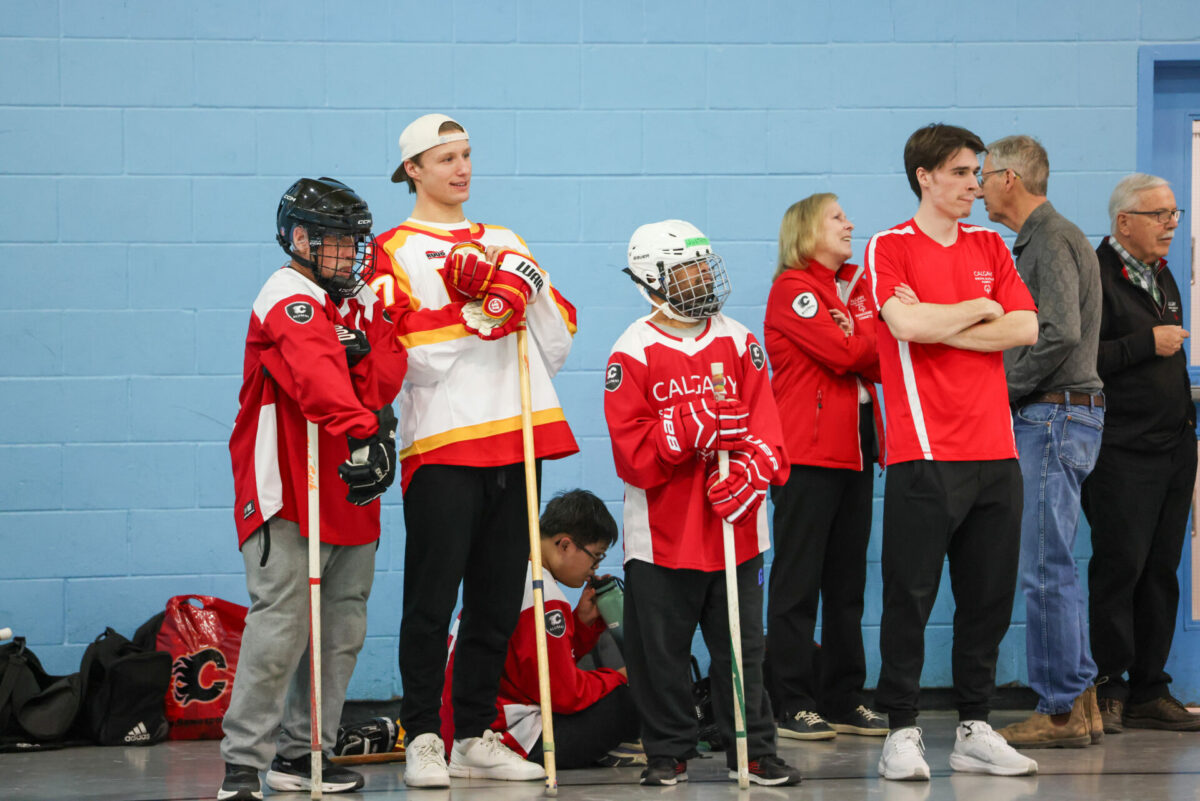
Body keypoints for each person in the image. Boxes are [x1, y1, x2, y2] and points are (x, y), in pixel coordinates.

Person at [373, 113, 580, 788]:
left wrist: (521, 289)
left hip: (519, 434)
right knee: (431, 601)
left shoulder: (505, 239)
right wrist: (482, 312)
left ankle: (472, 734)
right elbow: (407, 354)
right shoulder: (392, 249)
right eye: (445, 158)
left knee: (496, 600)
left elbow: (555, 338)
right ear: (413, 170)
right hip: (444, 442)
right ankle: (422, 735)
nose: (462, 168)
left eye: (466, 155)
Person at [219, 178, 408, 801]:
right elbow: (316, 376)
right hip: (287, 486)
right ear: (300, 239)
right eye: (338, 241)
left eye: (355, 241)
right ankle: (242, 765)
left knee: (341, 629)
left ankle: (304, 755)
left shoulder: (358, 299)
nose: (351, 252)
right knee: (281, 625)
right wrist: (364, 429)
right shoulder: (286, 294)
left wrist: (367, 372)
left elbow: (383, 377)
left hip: (347, 488)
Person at [866, 124, 1040, 781]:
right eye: (963, 172)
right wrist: (978, 307)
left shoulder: (990, 245)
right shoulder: (889, 246)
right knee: (908, 599)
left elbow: (1025, 327)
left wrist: (943, 322)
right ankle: (901, 731)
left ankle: (974, 727)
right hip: (923, 452)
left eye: (977, 172)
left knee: (988, 599)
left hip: (996, 452)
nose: (976, 185)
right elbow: (905, 323)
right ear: (925, 176)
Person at [604, 219, 802, 787]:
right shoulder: (633, 349)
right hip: (661, 537)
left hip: (736, 529)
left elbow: (767, 424)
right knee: (660, 652)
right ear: (652, 279)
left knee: (743, 648)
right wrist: (680, 431)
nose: (701, 279)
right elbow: (631, 453)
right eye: (686, 270)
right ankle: (668, 751)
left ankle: (753, 749)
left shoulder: (739, 340)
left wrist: (754, 469)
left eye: (702, 267)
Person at [975, 135, 1105, 749]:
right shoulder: (1056, 236)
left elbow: (1058, 333)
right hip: (1068, 415)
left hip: (1052, 415)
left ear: (1009, 178)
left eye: (982, 175)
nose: (976, 187)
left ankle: (1059, 712)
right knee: (1056, 565)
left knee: (1045, 568)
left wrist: (1001, 389)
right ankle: (1082, 702)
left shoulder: (1049, 239)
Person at [762, 193, 887, 740]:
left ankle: (842, 697)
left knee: (847, 584)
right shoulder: (794, 289)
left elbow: (882, 361)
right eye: (837, 217)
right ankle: (790, 699)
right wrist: (865, 335)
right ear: (807, 231)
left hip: (856, 449)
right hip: (808, 454)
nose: (849, 224)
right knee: (797, 583)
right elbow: (846, 355)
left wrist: (860, 332)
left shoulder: (853, 290)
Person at [1081, 173, 1200, 734]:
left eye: (1174, 213)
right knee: (1119, 568)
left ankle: (1151, 688)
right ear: (1124, 221)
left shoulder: (1162, 274)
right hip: (1121, 450)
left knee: (1160, 570)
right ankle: (1110, 686)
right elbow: (1079, 357)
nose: (1171, 224)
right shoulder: (1096, 275)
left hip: (1173, 448)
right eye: (1159, 214)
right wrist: (1144, 343)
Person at [439, 489, 641, 769]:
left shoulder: (509, 571)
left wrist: (581, 625)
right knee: (629, 699)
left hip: (459, 734)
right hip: (502, 740)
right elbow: (564, 693)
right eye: (595, 557)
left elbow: (534, 667)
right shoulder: (542, 594)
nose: (594, 570)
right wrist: (620, 678)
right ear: (565, 545)